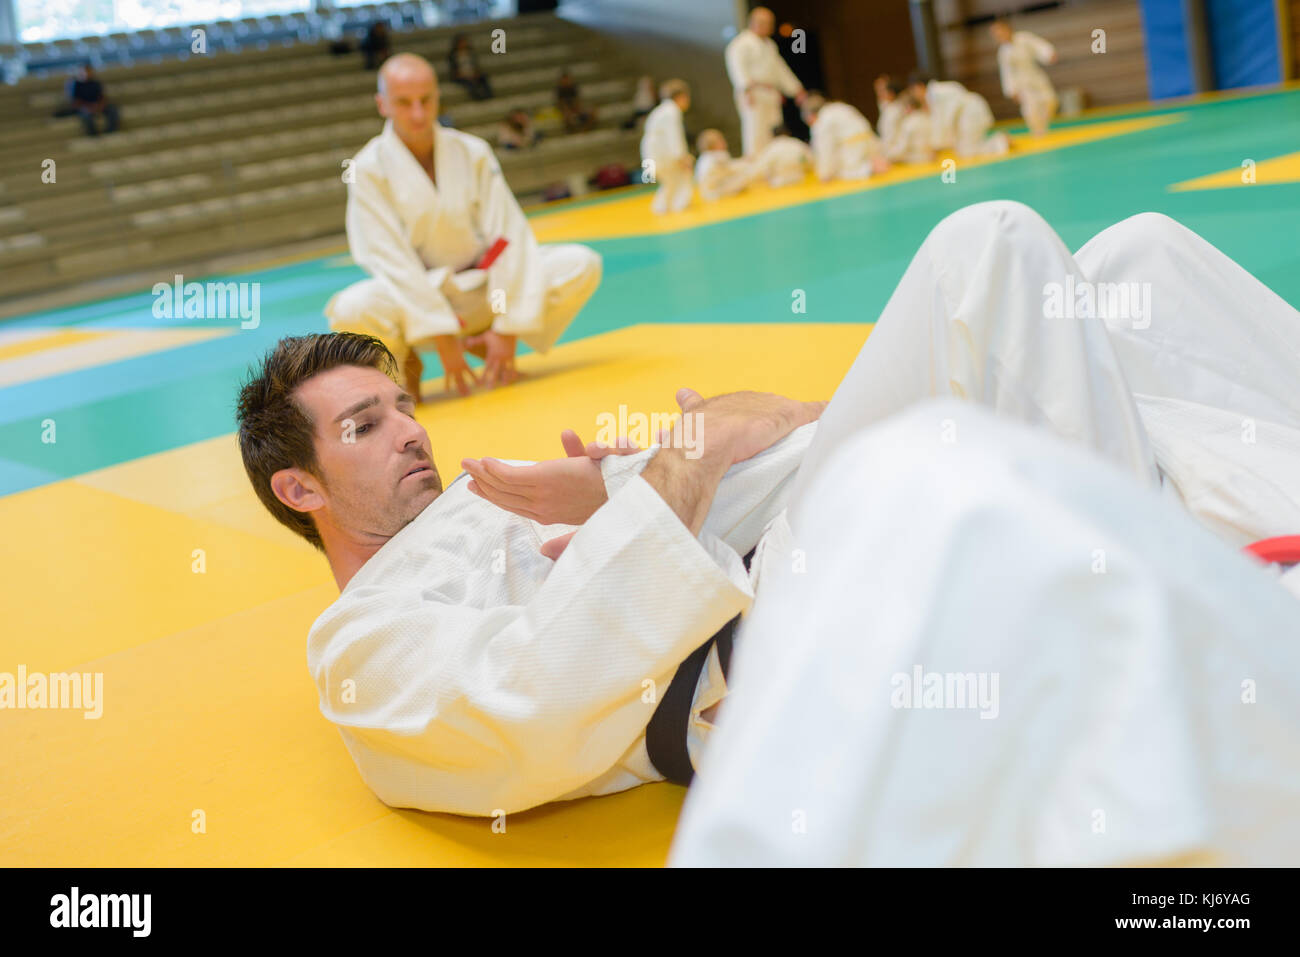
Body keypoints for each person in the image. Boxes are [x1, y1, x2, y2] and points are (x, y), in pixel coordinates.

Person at [237, 200, 1300, 830]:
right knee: (991, 247)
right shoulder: (360, 641)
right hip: (778, 636)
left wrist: (631, 477)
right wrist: (671, 477)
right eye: (366, 428)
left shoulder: (488, 504)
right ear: (300, 489)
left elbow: (683, 500)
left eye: (402, 409)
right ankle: (1168, 647)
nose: (412, 433)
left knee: (1134, 262)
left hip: (794, 523)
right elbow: (521, 711)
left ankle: (1217, 537)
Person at [323, 54, 602, 400]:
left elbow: (506, 236)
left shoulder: (473, 152)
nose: (418, 114)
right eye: (404, 103)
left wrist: (507, 328)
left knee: (580, 263)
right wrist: (441, 335)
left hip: (484, 290)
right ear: (382, 105)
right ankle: (404, 364)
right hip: (418, 300)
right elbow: (390, 260)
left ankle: (486, 339)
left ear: (438, 96)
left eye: (426, 100)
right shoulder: (367, 169)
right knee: (352, 308)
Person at [724, 6, 807, 157]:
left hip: (771, 93)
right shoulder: (741, 44)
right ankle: (756, 168)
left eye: (769, 23)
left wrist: (796, 89)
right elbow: (737, 68)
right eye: (763, 22)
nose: (767, 26)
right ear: (753, 23)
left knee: (775, 132)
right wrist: (746, 89)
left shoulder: (769, 45)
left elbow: (781, 70)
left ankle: (775, 164)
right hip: (754, 93)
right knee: (756, 132)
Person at [909, 72, 1010, 157]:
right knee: (964, 149)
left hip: (971, 113)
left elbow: (943, 122)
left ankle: (1000, 140)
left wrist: (936, 145)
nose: (914, 94)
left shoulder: (936, 94)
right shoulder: (937, 91)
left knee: (967, 151)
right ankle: (999, 140)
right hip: (970, 112)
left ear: (919, 86)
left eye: (914, 90)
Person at [992, 17, 1059, 136]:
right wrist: (1012, 90)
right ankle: (1038, 132)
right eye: (996, 34)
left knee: (1051, 101)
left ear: (1008, 29)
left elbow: (1039, 46)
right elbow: (1006, 73)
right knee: (1030, 110)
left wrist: (1049, 54)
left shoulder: (1024, 38)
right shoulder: (1003, 53)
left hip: (1035, 75)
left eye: (1001, 31)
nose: (1000, 35)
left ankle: (1043, 125)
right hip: (1022, 84)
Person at [801, 93, 889, 181]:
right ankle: (875, 161)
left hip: (853, 149)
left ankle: (869, 168)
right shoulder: (841, 107)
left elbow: (825, 148)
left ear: (810, 116)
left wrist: (824, 173)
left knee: (838, 173)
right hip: (870, 142)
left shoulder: (822, 120)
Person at [640, 79, 695, 215]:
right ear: (681, 97)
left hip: (650, 153)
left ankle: (663, 206)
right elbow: (674, 135)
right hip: (661, 153)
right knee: (681, 176)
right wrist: (682, 157)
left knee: (670, 181)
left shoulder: (661, 110)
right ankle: (678, 205)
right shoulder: (672, 111)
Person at [694, 129, 754, 201]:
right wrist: (745, 162)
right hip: (716, 190)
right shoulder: (718, 155)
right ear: (714, 145)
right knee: (745, 175)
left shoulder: (703, 158)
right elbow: (731, 167)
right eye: (721, 140)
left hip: (705, 191)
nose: (724, 142)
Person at [64, 63, 120, 137]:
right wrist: (89, 107)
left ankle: (111, 132)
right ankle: (93, 136)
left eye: (88, 71)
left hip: (97, 105)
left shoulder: (95, 83)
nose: (86, 73)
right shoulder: (75, 85)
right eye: (84, 71)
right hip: (84, 107)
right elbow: (75, 102)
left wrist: (99, 106)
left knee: (113, 110)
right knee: (87, 116)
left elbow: (102, 97)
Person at [884, 91, 934, 165]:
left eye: (904, 107)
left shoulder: (908, 123)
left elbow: (901, 149)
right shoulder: (928, 118)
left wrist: (887, 156)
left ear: (909, 106)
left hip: (916, 162)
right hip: (931, 159)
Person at [448, 34, 493, 100]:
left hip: (472, 73)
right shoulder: (452, 56)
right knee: (469, 84)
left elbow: (475, 66)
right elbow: (453, 70)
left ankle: (489, 95)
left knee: (484, 78)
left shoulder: (471, 53)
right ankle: (477, 97)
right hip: (461, 76)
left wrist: (475, 73)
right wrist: (463, 75)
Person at [873, 74, 903, 148]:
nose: (879, 94)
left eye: (882, 90)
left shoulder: (893, 111)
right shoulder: (887, 108)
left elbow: (890, 137)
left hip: (892, 149)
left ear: (891, 93)